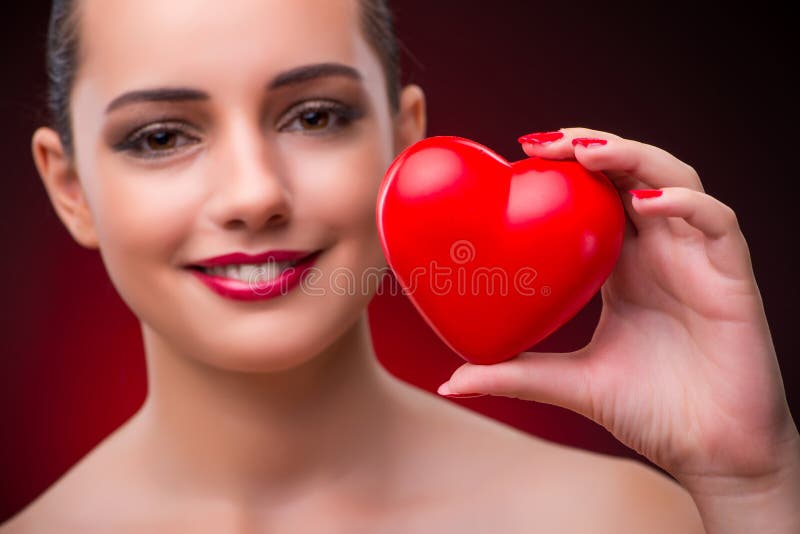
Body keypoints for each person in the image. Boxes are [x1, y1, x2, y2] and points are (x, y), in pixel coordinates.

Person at [2, 0, 798, 532]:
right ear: (70, 189)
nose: (254, 195)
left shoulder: (625, 522)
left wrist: (750, 485)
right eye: (161, 136)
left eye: (315, 116)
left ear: (403, 141)